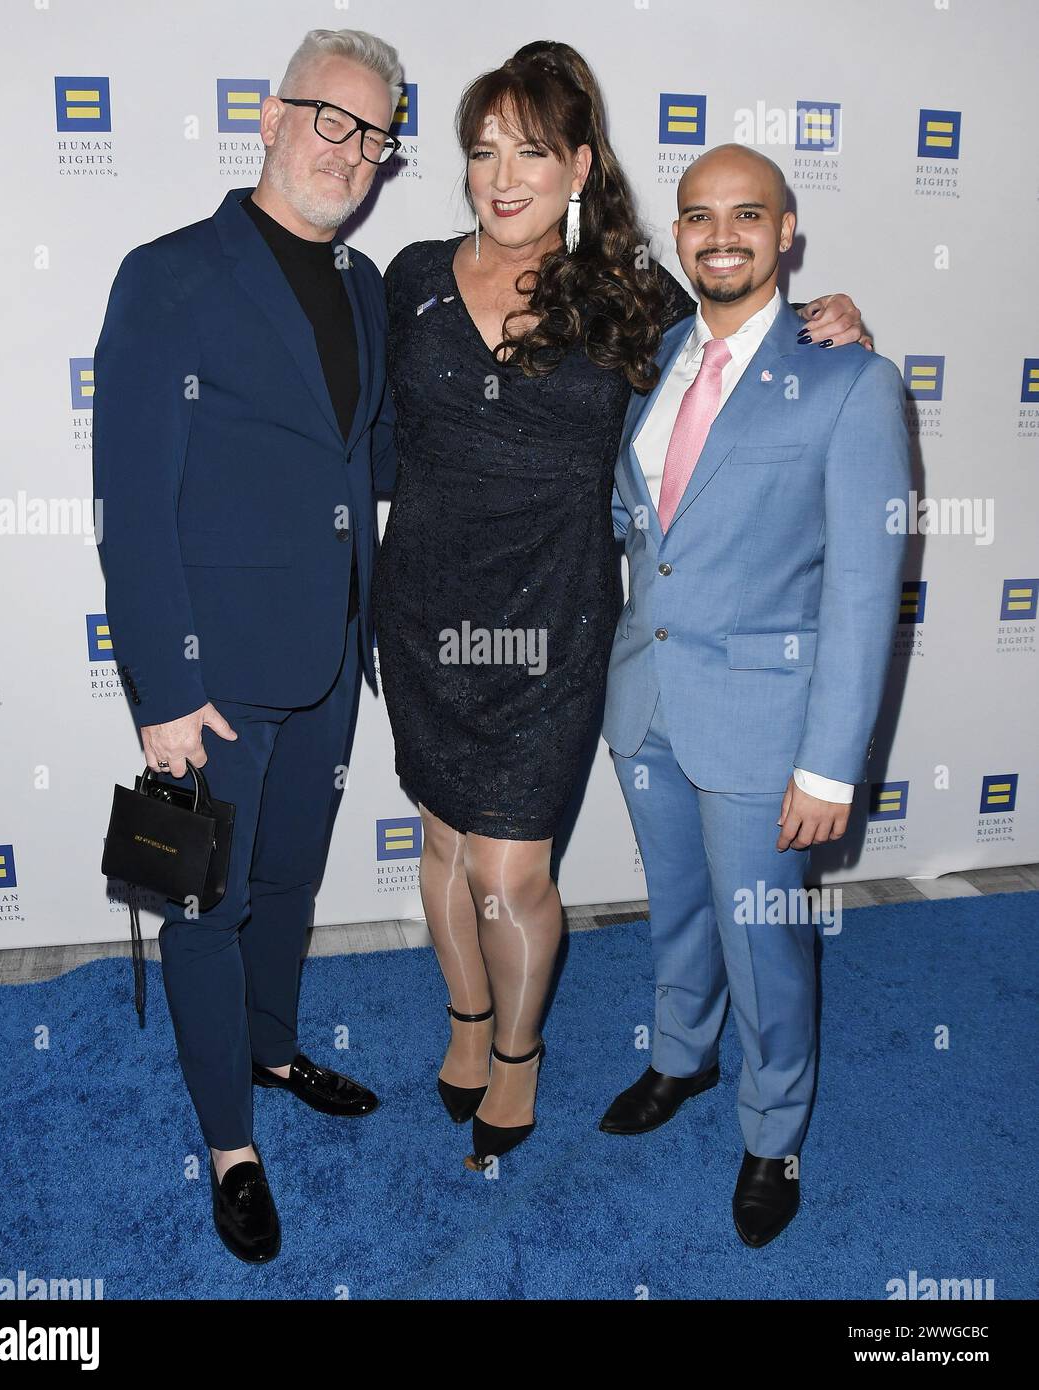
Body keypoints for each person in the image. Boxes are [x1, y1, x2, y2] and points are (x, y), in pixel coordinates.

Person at [371, 41, 865, 1173]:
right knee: (443, 840)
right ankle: (461, 1022)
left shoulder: (629, 300)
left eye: (530, 150)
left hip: (555, 624)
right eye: (481, 149)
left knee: (511, 870)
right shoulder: (405, 278)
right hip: (424, 612)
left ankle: (518, 1052)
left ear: (579, 165)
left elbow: (738, 354)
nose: (501, 174)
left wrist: (830, 325)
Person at [91, 28, 401, 1263]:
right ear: (271, 117)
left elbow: (365, 460)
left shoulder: (368, 285)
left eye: (374, 136)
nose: (351, 153)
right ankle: (229, 1140)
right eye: (331, 120)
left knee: (289, 880)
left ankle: (272, 1050)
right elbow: (132, 502)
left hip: (328, 656)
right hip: (213, 679)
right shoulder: (168, 275)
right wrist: (162, 689)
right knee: (203, 906)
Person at [599, 143, 909, 1247]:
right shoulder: (654, 357)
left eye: (745, 214)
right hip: (643, 706)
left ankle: (772, 1127)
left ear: (786, 233)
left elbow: (866, 593)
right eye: (696, 217)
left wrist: (828, 764)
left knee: (763, 936)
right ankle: (680, 1058)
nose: (717, 234)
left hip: (768, 730)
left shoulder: (851, 380)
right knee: (677, 910)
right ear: (675, 235)